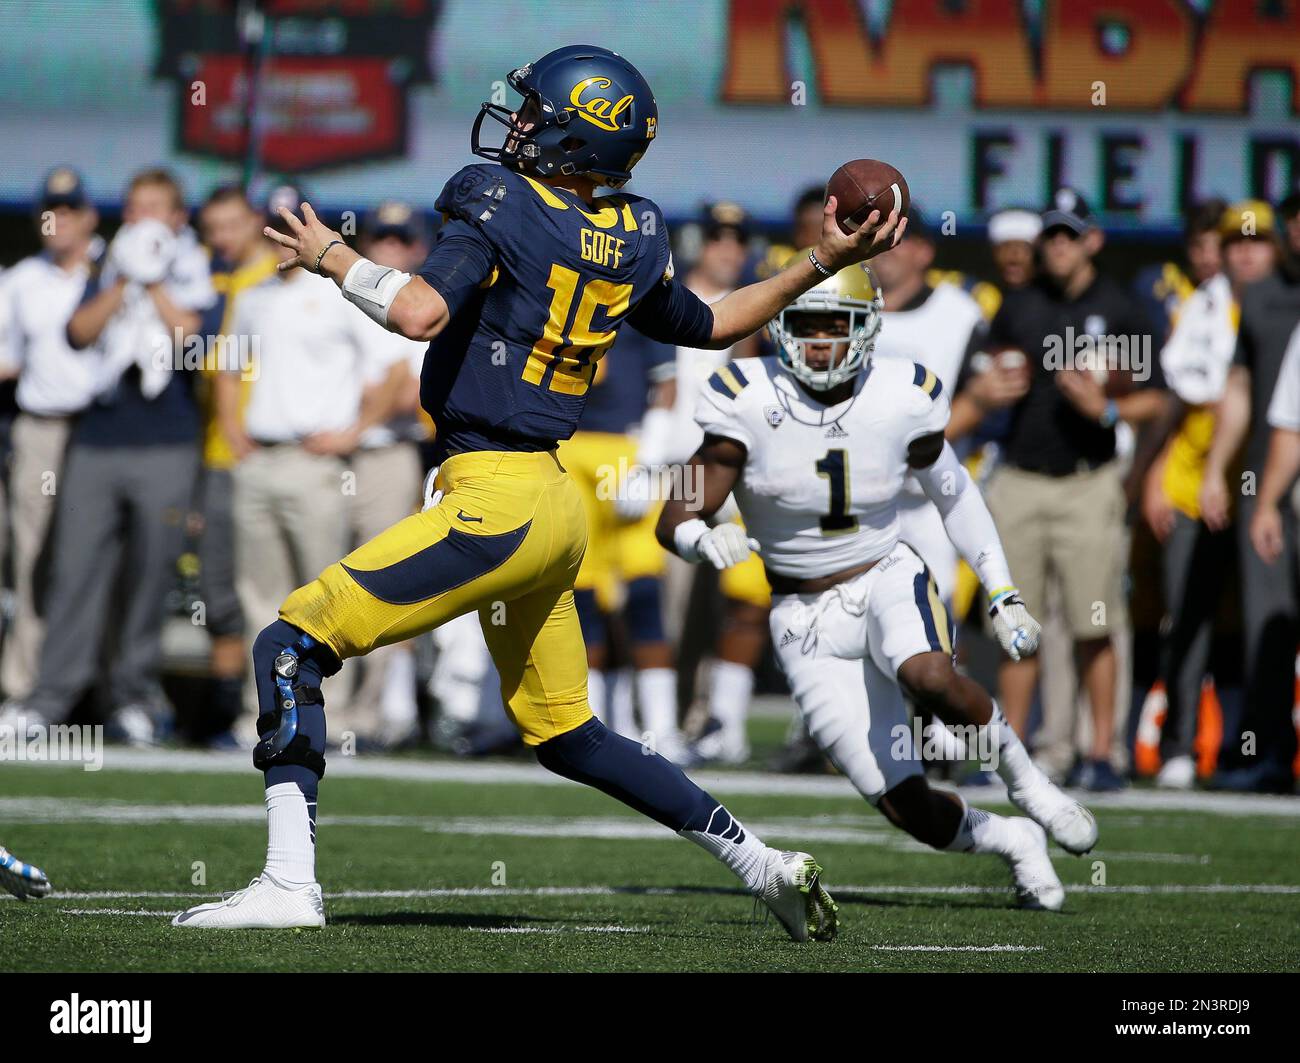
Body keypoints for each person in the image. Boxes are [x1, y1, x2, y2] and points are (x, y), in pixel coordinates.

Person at [174, 44, 905, 936]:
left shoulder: (499, 198)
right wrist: (820, 261)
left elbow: (418, 313)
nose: (516, 123)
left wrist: (334, 257)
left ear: (573, 132)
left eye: (534, 111)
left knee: (289, 646)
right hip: (552, 504)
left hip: (496, 498)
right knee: (567, 733)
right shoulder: (633, 229)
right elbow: (711, 323)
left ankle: (289, 885)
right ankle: (765, 864)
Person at [656, 259, 1097, 910]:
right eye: (806, 327)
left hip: (886, 571)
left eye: (837, 327)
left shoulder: (901, 394)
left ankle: (1028, 781)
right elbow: (676, 513)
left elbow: (955, 495)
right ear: (780, 327)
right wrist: (701, 538)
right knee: (903, 804)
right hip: (801, 616)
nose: (821, 344)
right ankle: (1014, 838)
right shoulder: (745, 395)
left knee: (928, 674)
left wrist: (1002, 592)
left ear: (868, 329)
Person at [948, 188, 1168, 791]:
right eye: (1052, 236)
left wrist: (1106, 408)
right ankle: (1013, 754)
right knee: (1019, 622)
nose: (1059, 247)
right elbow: (987, 374)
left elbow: (1158, 396)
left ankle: (1102, 753)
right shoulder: (1021, 305)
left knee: (1094, 621)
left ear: (1093, 240)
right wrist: (990, 387)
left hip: (1086, 480)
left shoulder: (1120, 309)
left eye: (1070, 235)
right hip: (1019, 477)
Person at [25, 168, 214, 744]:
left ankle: (131, 694)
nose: (138, 220)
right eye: (132, 209)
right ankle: (50, 697)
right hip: (100, 437)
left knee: (149, 574)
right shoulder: (108, 265)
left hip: (167, 441)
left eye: (152, 208)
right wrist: (123, 281)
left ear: (178, 217)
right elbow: (77, 332)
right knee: (76, 570)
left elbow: (195, 341)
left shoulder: (197, 268)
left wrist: (154, 284)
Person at [220, 183, 399, 741]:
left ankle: (333, 718)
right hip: (260, 458)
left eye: (290, 221)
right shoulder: (253, 294)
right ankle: (266, 715)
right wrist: (233, 434)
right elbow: (228, 367)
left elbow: (392, 369)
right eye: (270, 221)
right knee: (259, 596)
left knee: (324, 596)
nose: (280, 234)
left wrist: (354, 431)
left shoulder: (342, 292)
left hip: (316, 462)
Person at [1142, 201, 1280, 788]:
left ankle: (1257, 747)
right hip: (1197, 483)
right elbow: (1185, 399)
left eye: (1256, 242)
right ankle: (1179, 743)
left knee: (1264, 619)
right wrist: (1153, 475)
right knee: (1190, 615)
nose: (1244, 253)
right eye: (1234, 243)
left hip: (1264, 483)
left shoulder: (1282, 305)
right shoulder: (1203, 307)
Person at [1201, 193, 1300, 792]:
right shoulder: (1260, 294)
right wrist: (1218, 469)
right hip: (1268, 478)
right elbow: (1239, 388)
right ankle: (1267, 752)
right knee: (1269, 625)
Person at [666, 204, 770, 766]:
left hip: (737, 471)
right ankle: (663, 719)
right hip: (674, 468)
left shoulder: (759, 306)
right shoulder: (666, 297)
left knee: (740, 603)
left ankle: (720, 721)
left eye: (736, 239)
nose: (726, 249)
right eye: (716, 239)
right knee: (668, 608)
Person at [0, 169, 101, 708]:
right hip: (41, 428)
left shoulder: (115, 268)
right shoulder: (20, 281)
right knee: (33, 558)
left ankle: (94, 685)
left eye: (67, 209)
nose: (55, 220)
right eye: (49, 209)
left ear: (88, 215)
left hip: (103, 430)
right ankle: (25, 686)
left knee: (96, 559)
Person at [556, 324, 679, 752]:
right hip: (566, 446)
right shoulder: (561, 281)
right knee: (581, 594)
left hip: (627, 449)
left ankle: (661, 728)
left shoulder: (640, 285)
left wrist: (649, 460)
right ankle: (591, 722)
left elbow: (668, 382)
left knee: (644, 589)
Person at [195, 184, 281, 743]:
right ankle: (226, 713)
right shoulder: (210, 279)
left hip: (262, 451)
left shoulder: (278, 283)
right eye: (213, 227)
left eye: (232, 224)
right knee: (221, 591)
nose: (221, 237)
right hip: (215, 455)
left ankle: (267, 710)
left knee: (269, 589)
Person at [346, 201, 432, 746]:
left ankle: (382, 709)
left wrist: (352, 417)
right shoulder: (338, 297)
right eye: (383, 239)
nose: (391, 250)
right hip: (331, 455)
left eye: (402, 241)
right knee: (323, 579)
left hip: (387, 453)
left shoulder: (424, 301)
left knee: (382, 580)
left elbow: (409, 392)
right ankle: (332, 705)